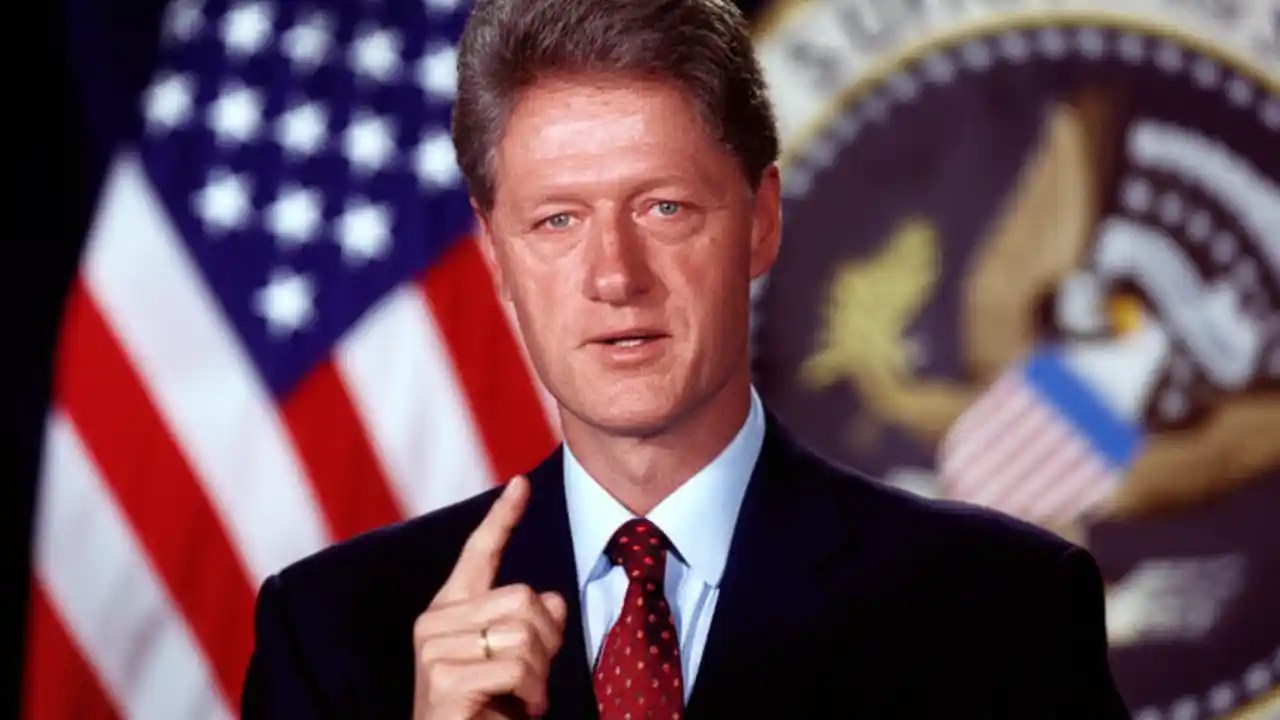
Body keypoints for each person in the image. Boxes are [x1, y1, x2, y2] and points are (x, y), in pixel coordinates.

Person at [240, 0, 1131, 717]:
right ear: (496, 259)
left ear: (762, 220)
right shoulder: (333, 636)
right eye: (557, 221)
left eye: (664, 207)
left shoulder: (1003, 613)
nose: (614, 276)